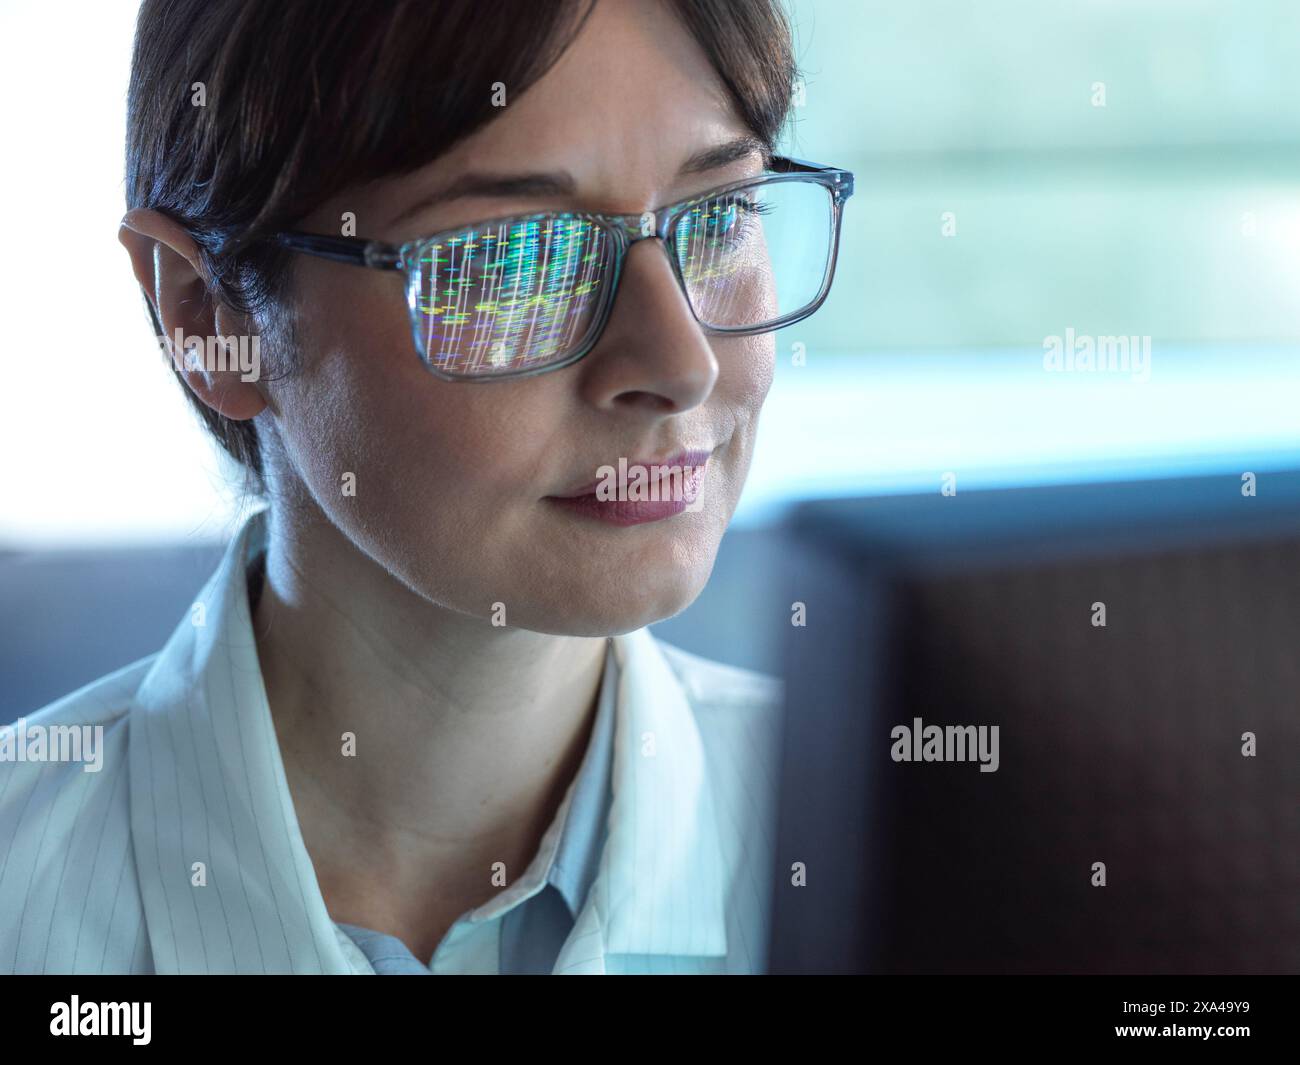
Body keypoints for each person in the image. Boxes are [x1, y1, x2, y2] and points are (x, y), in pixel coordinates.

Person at [0, 0, 853, 974]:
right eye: (510, 256)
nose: (680, 360)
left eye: (722, 216)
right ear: (206, 315)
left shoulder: (909, 838)